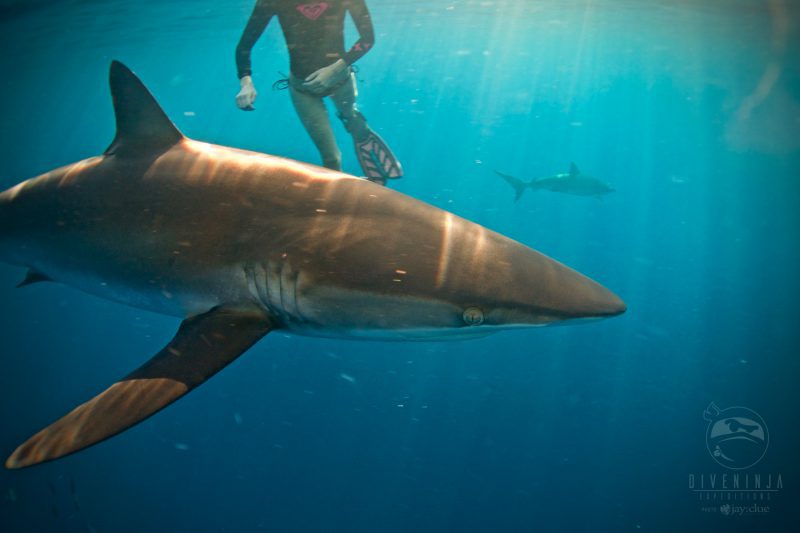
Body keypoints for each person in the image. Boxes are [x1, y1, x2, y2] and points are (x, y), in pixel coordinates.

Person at [235, 0, 402, 185]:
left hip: (338, 79)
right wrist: (246, 83)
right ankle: (338, 197)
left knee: (351, 118)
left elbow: (367, 39)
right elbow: (244, 46)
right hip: (303, 88)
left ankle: (362, 133)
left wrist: (334, 70)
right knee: (331, 158)